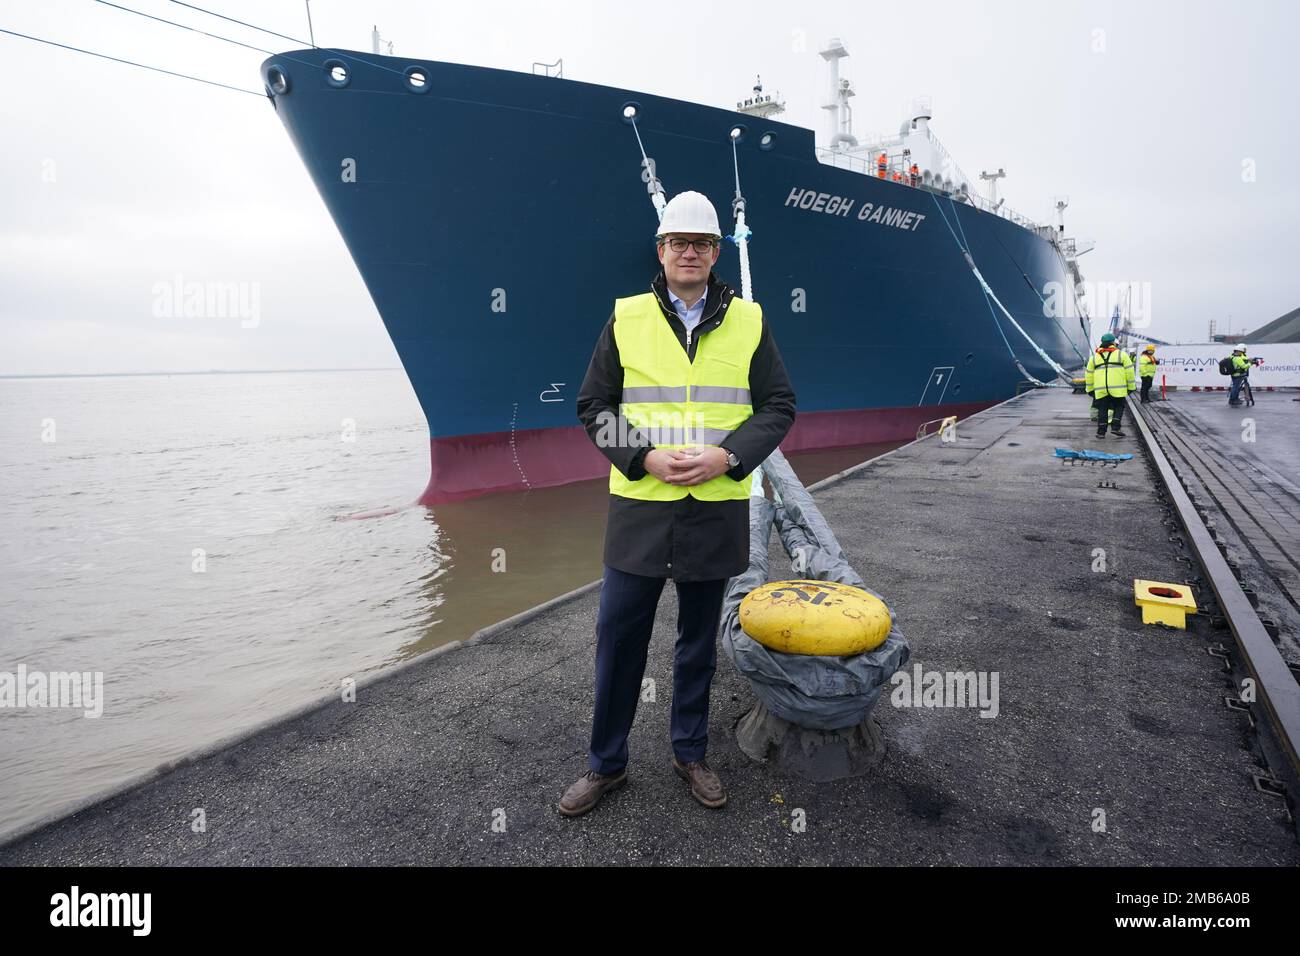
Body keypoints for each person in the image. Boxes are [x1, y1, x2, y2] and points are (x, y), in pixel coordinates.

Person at [562, 190, 796, 817]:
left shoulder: (750, 320)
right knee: (618, 637)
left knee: (697, 641)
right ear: (661, 250)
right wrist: (642, 457)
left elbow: (779, 405)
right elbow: (593, 406)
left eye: (700, 244)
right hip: (641, 510)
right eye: (677, 243)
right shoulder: (626, 317)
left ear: (716, 253)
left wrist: (729, 457)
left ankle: (689, 752)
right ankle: (606, 765)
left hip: (714, 508)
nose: (688, 253)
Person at [1084, 332, 1135, 438]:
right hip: (1118, 389)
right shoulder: (1122, 355)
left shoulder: (1094, 357)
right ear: (1113, 342)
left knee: (1103, 409)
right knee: (1119, 406)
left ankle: (1101, 432)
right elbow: (1129, 372)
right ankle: (1115, 427)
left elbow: (1089, 375)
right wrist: (1131, 387)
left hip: (1101, 390)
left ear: (1102, 343)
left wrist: (1089, 389)